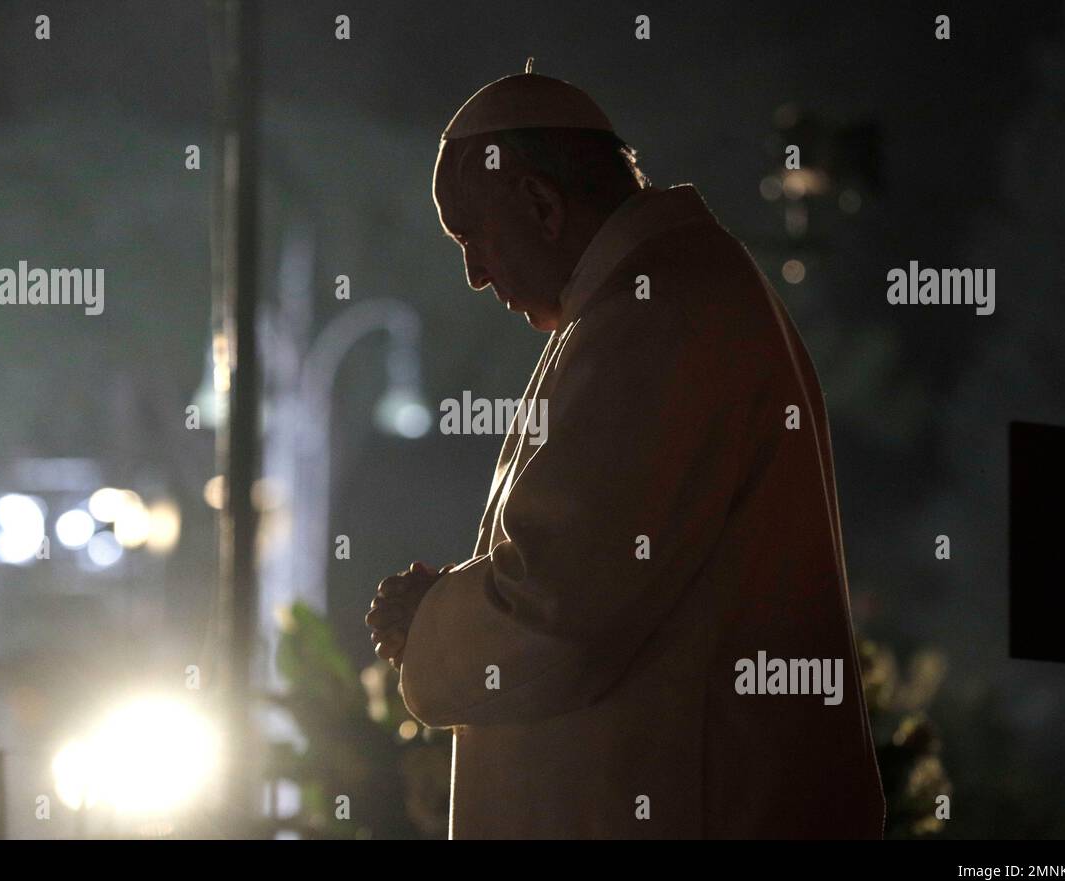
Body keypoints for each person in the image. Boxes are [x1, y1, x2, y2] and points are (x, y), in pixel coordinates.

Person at [365, 65, 885, 839]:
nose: (474, 274)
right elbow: (594, 571)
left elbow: (559, 618)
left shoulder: (653, 314)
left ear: (540, 204)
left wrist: (428, 620)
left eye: (472, 237)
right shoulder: (658, 292)